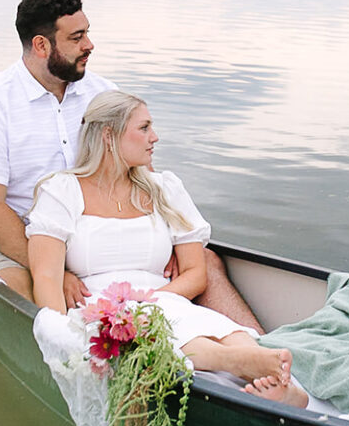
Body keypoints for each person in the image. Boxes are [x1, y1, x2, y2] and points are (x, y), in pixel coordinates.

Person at [0, 0, 260, 331]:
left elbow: (138, 166)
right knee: (23, 287)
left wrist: (168, 238)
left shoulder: (102, 93)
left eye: (87, 33)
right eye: (77, 37)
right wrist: (56, 270)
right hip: (17, 234)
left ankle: (260, 344)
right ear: (41, 45)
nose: (90, 45)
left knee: (205, 261)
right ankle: (68, 352)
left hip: (95, 226)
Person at [27, 91, 293, 387]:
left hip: (165, 298)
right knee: (151, 325)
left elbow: (195, 273)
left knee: (221, 329)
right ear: (108, 136)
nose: (154, 137)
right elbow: (46, 277)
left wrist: (153, 300)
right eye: (144, 128)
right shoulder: (62, 191)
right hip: (101, 310)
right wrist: (61, 338)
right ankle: (232, 361)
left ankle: (283, 385)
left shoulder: (164, 188)